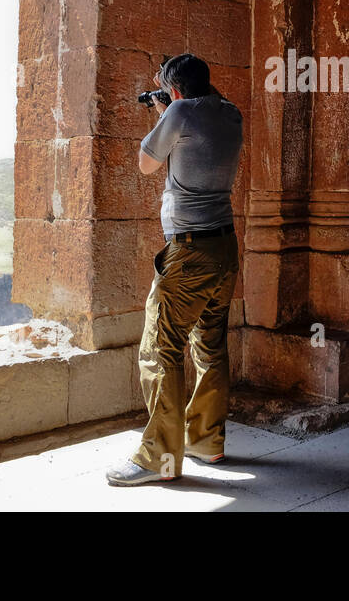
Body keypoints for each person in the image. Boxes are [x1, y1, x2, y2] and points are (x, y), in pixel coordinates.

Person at [106, 53, 243, 486]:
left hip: (189, 253)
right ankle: (207, 442)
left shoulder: (180, 110)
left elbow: (146, 163)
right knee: (209, 345)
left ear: (176, 90)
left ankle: (157, 460)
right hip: (224, 246)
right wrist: (173, 104)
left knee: (160, 349)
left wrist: (165, 112)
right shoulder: (232, 113)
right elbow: (205, 120)